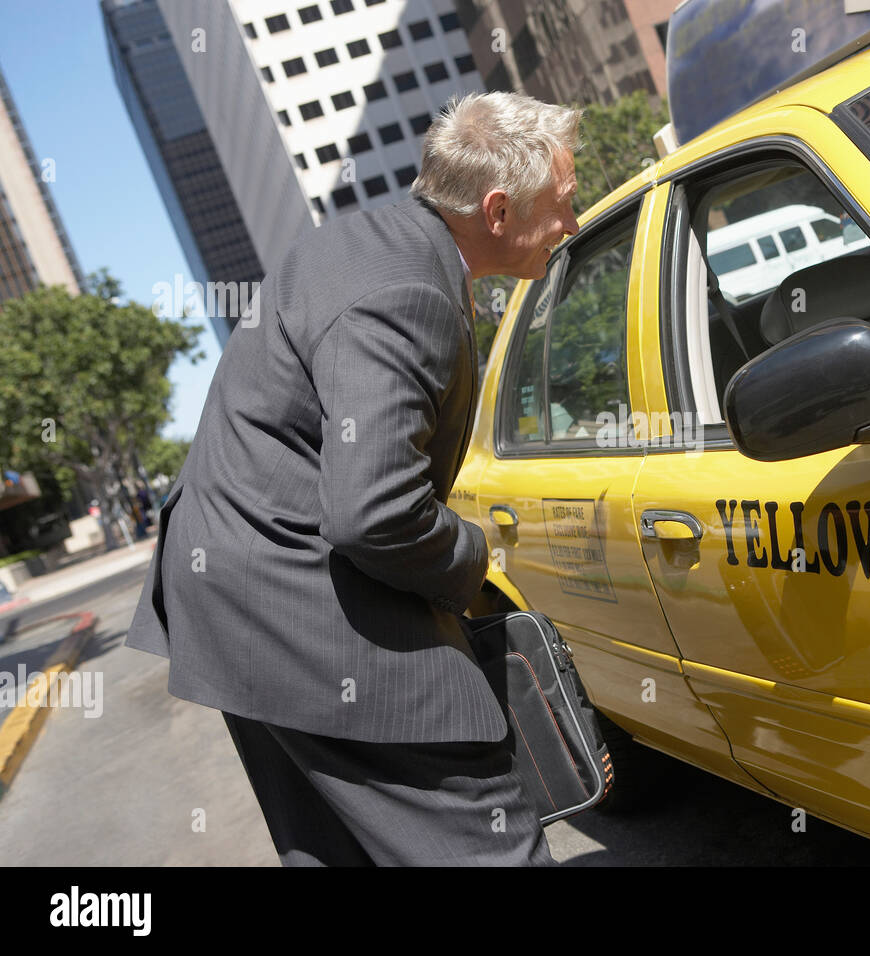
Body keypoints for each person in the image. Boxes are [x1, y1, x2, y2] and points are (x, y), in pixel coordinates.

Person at [124, 92, 582, 865]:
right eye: (563, 204)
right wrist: (471, 558)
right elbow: (376, 511)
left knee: (341, 849)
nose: (572, 222)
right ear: (498, 211)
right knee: (483, 832)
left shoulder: (357, 242)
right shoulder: (409, 291)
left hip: (237, 614)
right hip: (308, 618)